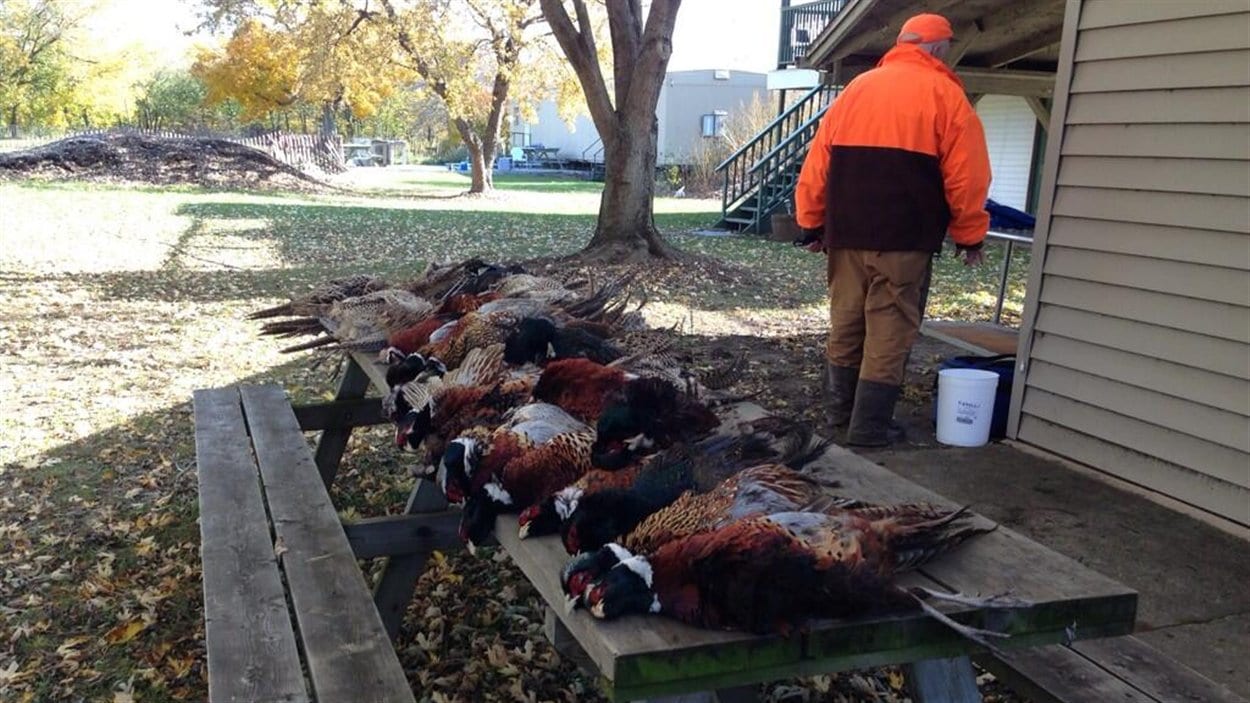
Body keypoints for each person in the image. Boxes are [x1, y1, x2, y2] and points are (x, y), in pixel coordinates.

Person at [794, 12, 992, 446]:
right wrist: (970, 235)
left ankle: (838, 417)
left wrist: (811, 223)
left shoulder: (856, 90)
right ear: (938, 49)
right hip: (905, 239)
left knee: (846, 320)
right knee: (890, 327)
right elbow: (968, 177)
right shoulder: (947, 96)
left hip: (846, 234)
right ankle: (868, 428)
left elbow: (817, 164)